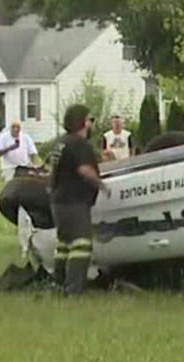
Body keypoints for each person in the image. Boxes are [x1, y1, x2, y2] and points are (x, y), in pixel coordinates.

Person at [50, 104, 111, 295]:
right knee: (81, 244)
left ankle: (58, 284)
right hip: (74, 201)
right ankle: (74, 289)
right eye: (89, 119)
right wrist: (102, 186)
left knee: (64, 245)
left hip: (58, 200)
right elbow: (84, 170)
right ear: (82, 122)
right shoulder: (79, 144)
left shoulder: (60, 142)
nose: (91, 123)